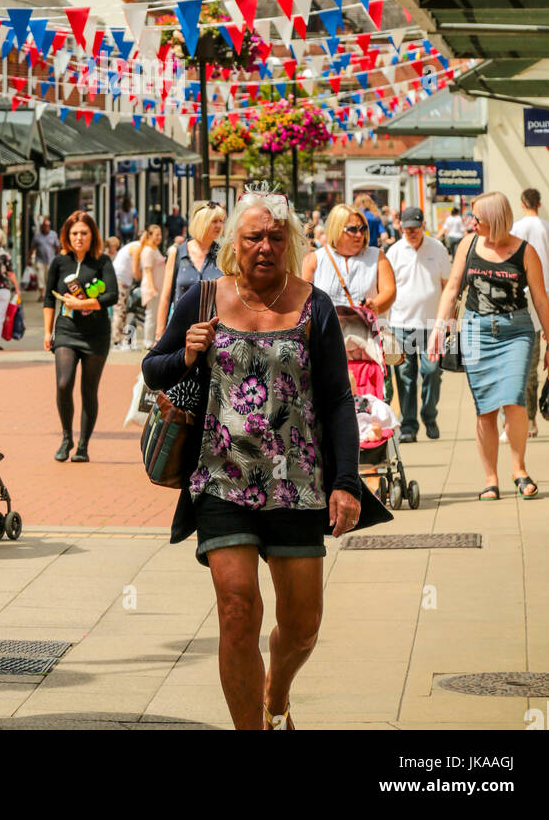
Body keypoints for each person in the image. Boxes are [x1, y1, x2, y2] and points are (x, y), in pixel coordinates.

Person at [142, 190, 370, 731]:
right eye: (252, 237)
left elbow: (338, 398)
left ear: (288, 243)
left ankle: (277, 694)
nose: (264, 247)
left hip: (298, 482)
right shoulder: (201, 298)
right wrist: (186, 352)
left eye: (274, 237)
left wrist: (347, 482)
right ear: (233, 245)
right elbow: (155, 369)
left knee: (302, 627)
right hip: (221, 480)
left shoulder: (313, 305)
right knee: (238, 610)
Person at [429, 192, 549, 500]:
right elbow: (452, 288)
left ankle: (519, 469)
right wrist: (439, 327)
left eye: (477, 218)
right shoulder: (468, 245)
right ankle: (490, 478)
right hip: (476, 331)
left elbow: (540, 300)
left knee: (514, 399)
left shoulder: (524, 251)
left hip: (516, 332)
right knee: (485, 408)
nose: (471, 223)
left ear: (496, 219)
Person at [44, 210, 119, 463]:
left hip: (96, 334)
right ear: (67, 235)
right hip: (66, 330)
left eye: (84, 233)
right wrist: (47, 331)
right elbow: (47, 299)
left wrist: (86, 303)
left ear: (92, 235)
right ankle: (67, 438)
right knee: (64, 383)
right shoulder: (59, 262)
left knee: (89, 389)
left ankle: (83, 446)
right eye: (74, 233)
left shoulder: (102, 261)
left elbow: (112, 296)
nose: (79, 237)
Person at [387, 206, 451, 442]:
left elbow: (448, 287)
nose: (411, 232)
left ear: (423, 225)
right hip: (401, 324)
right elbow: (387, 288)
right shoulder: (394, 252)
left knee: (432, 373)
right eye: (407, 228)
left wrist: (449, 322)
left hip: (432, 325)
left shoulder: (438, 249)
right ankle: (408, 426)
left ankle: (429, 415)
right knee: (405, 376)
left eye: (415, 227)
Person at [510, 188, 549, 439]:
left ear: (522, 204)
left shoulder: (517, 228)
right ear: (539, 204)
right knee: (547, 343)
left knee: (527, 357)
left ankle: (528, 419)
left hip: (525, 291)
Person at [302, 203, 396, 317]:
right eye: (352, 229)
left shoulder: (377, 256)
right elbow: (302, 299)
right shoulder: (314, 259)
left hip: (367, 332)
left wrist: (375, 305)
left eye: (362, 228)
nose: (359, 234)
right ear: (336, 229)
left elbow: (389, 291)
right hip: (327, 334)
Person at [156, 200, 226, 340]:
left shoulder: (223, 255)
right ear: (201, 222)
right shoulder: (177, 253)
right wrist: (159, 336)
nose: (219, 225)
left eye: (221, 221)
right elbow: (165, 297)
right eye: (214, 221)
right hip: (180, 333)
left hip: (214, 335)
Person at [111, 233, 143, 346]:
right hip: (121, 280)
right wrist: (142, 279)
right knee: (120, 309)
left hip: (122, 280)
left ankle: (119, 339)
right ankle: (116, 340)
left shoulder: (135, 246)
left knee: (122, 310)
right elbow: (135, 270)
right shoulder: (137, 247)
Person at [139, 223, 166, 347]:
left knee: (155, 315)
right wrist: (152, 288)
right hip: (152, 288)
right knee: (151, 315)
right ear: (149, 235)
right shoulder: (148, 250)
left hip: (159, 287)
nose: (159, 237)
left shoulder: (154, 248)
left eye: (160, 234)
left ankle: (154, 340)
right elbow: (147, 270)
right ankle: (148, 341)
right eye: (156, 235)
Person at [30, 215, 60, 301]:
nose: (46, 227)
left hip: (51, 260)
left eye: (48, 226)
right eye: (45, 226)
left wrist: (59, 258)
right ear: (41, 227)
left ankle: (49, 294)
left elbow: (57, 247)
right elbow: (32, 247)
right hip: (40, 260)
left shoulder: (53, 235)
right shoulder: (37, 236)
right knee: (40, 278)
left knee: (49, 278)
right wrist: (30, 258)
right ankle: (42, 295)